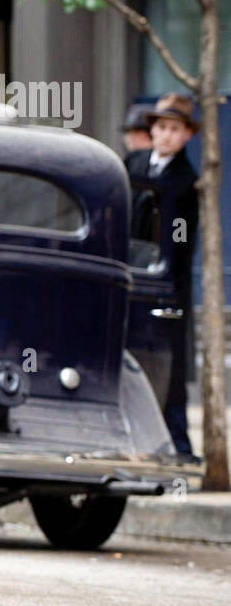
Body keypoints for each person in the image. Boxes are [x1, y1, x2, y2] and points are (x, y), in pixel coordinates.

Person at [124, 93, 201, 455]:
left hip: (164, 283)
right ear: (151, 130)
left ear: (187, 135)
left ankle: (177, 442)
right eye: (162, 127)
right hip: (129, 274)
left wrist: (166, 273)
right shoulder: (135, 165)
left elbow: (179, 236)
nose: (167, 135)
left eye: (175, 129)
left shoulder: (185, 181)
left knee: (169, 363)